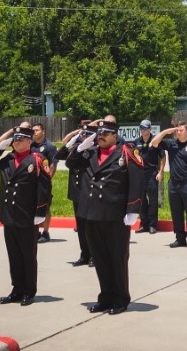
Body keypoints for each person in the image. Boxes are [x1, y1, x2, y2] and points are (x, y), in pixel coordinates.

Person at [62, 119, 146, 315]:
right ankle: (105, 297)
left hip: (115, 215)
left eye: (105, 133)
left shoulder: (126, 152)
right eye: (98, 134)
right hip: (92, 214)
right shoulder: (89, 153)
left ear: (115, 135)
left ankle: (121, 298)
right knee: (99, 258)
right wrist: (81, 146)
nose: (101, 137)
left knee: (117, 258)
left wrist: (133, 210)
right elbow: (69, 162)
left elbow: (137, 180)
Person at [0, 126, 52, 306]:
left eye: (20, 139)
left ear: (29, 142)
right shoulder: (8, 159)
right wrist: (1, 146)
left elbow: (45, 188)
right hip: (9, 215)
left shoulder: (37, 160)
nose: (16, 142)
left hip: (27, 215)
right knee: (13, 255)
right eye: (15, 140)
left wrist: (40, 212)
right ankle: (16, 289)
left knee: (28, 255)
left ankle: (29, 290)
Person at [152, 121, 187, 248]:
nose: (178, 132)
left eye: (181, 130)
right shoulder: (171, 144)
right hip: (174, 183)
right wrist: (165, 132)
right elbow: (154, 143)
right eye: (177, 130)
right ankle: (180, 238)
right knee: (176, 211)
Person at [57, 121, 96, 267]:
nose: (83, 137)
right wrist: (72, 140)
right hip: (76, 192)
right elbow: (60, 155)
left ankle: (94, 255)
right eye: (82, 133)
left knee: (90, 227)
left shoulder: (94, 150)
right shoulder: (77, 148)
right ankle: (84, 254)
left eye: (87, 134)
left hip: (89, 192)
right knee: (80, 227)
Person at [132, 119, 164, 234]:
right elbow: (134, 156)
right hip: (140, 173)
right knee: (141, 200)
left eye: (145, 128)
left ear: (150, 128)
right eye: (141, 128)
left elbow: (162, 157)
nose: (142, 130)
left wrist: (161, 172)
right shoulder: (137, 141)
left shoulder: (155, 141)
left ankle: (152, 225)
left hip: (152, 173)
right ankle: (144, 224)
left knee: (153, 199)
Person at [30, 123, 58, 243]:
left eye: (37, 130)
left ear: (43, 131)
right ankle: (35, 232)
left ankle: (46, 233)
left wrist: (48, 180)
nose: (34, 132)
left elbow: (53, 164)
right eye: (33, 131)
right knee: (32, 208)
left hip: (43, 183)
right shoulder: (30, 145)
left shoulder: (50, 147)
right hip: (31, 182)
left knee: (45, 208)